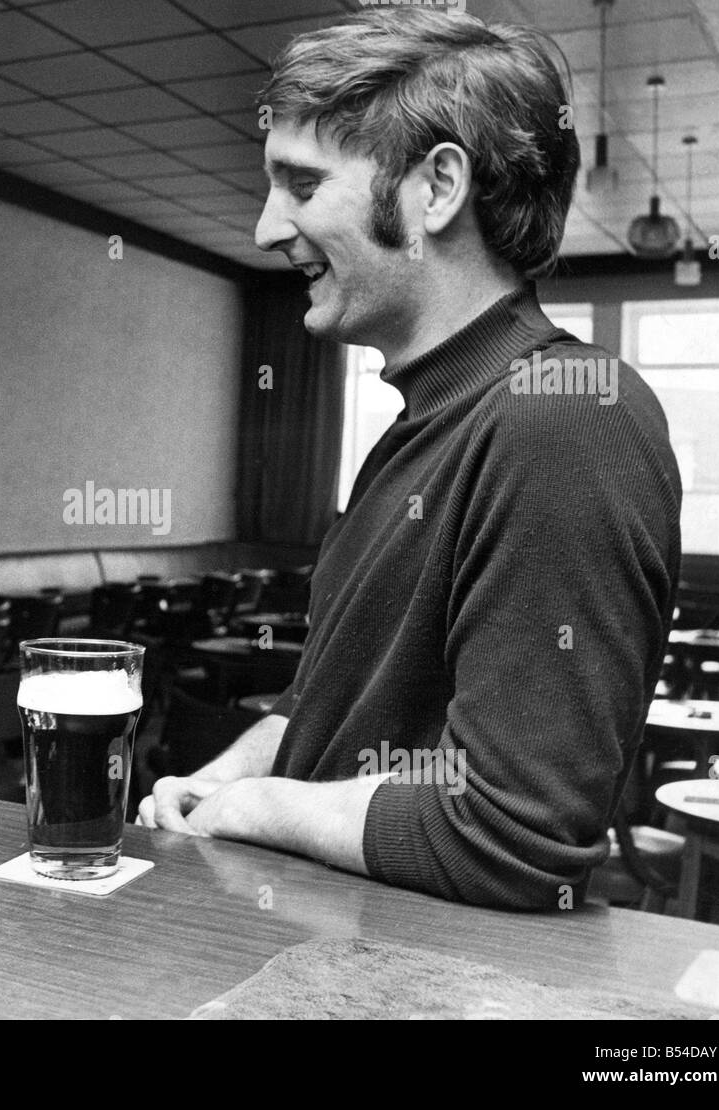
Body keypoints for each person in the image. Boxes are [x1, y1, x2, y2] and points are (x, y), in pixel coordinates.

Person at [139, 9, 682, 909]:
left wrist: (262, 806)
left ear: (436, 189)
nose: (267, 228)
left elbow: (511, 834)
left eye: (302, 186)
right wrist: (231, 773)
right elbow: (343, 709)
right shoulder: (414, 431)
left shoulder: (570, 418)